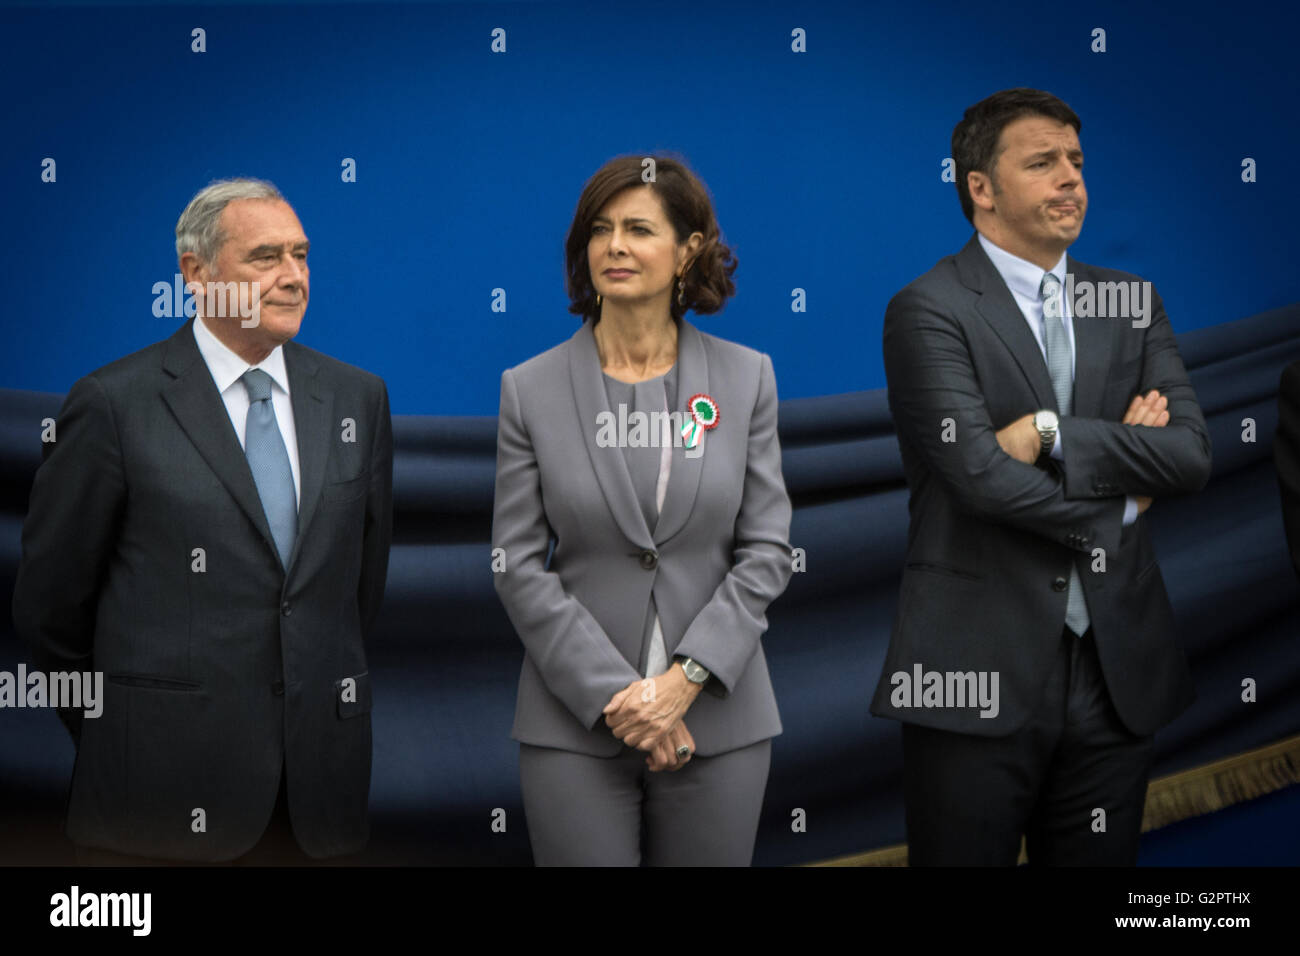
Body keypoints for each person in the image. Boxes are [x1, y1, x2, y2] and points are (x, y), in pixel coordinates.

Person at [870, 89, 1212, 865]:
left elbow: (1190, 455)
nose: (1072, 180)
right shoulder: (928, 309)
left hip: (1118, 672)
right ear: (980, 189)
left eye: (1077, 162)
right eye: (1043, 163)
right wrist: (1122, 498)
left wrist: (1049, 432)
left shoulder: (1130, 300)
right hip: (971, 676)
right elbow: (980, 478)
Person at [12, 178, 394, 864]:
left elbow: (353, 595)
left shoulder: (356, 398)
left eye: (302, 256)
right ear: (197, 273)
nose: (293, 277)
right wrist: (131, 725)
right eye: (266, 257)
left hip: (316, 801)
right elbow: (50, 610)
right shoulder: (113, 405)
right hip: (156, 797)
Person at [491, 154, 793, 865]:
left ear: (689, 249)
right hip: (575, 727)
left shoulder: (747, 378)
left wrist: (683, 683)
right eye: (600, 230)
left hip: (718, 720)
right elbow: (517, 567)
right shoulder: (529, 389)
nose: (615, 246)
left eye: (637, 229)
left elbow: (767, 550)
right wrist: (623, 701)